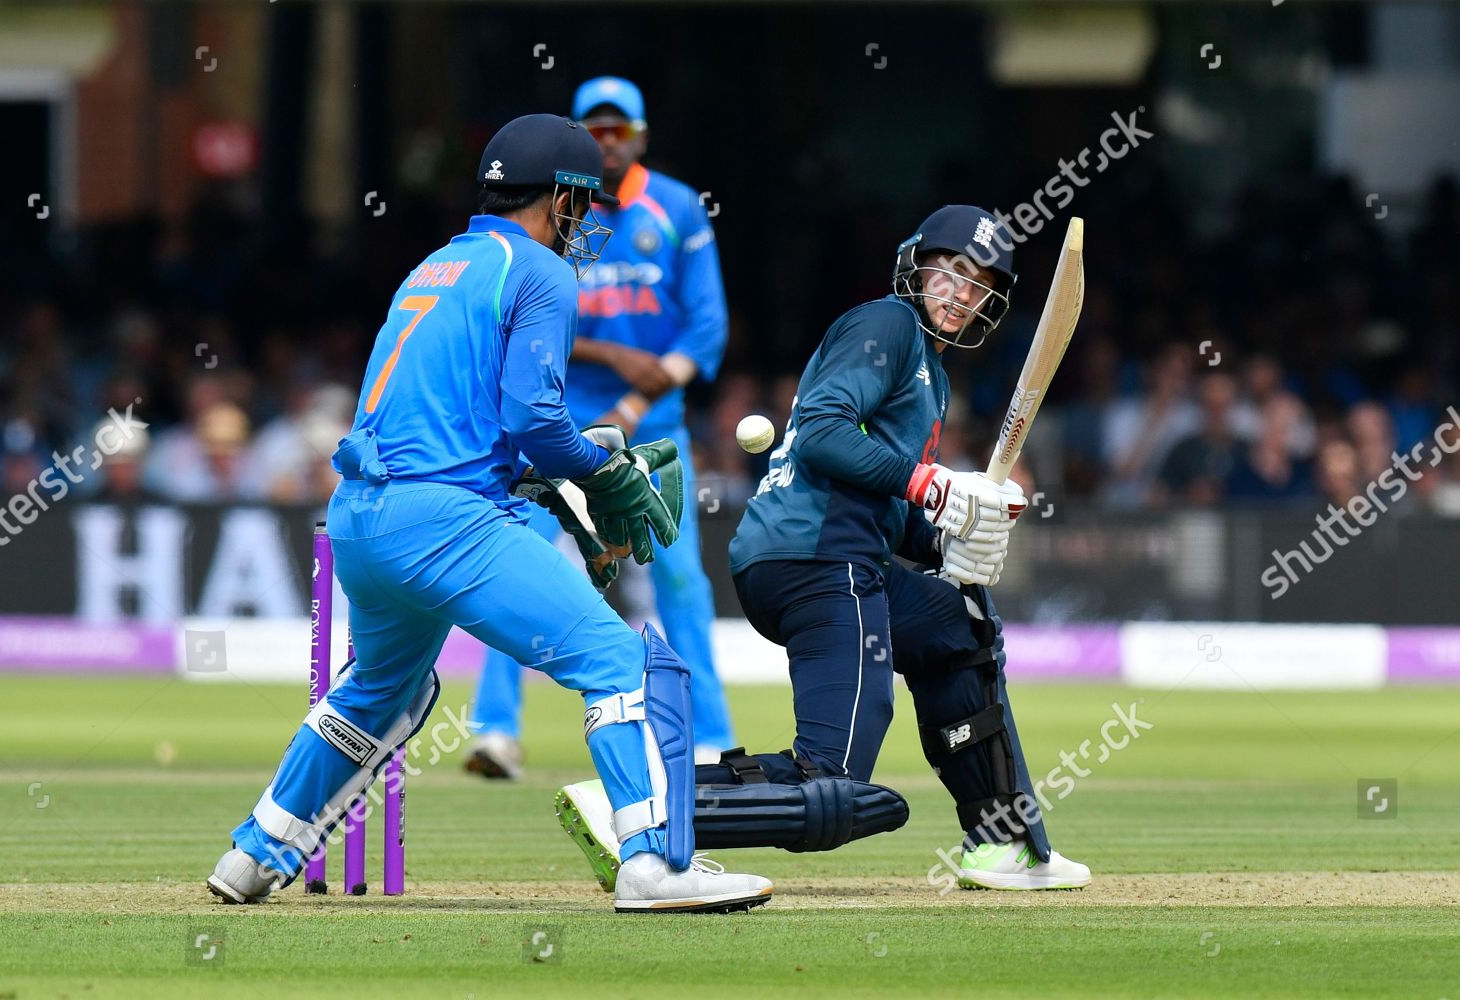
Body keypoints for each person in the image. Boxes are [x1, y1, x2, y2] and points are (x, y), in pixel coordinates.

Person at [206, 114, 771, 913]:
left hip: (361, 518)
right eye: (585, 203)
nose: (589, 221)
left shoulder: (434, 266)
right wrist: (601, 470)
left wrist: (542, 476)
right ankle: (652, 863)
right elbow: (534, 419)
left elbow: (468, 418)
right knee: (617, 660)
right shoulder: (541, 271)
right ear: (561, 198)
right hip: (443, 520)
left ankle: (253, 854)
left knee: (379, 693)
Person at [552, 206, 1090, 893]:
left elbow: (887, 508)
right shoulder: (886, 325)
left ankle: (1001, 842)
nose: (960, 291)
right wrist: (931, 484)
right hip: (815, 559)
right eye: (950, 270)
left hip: (838, 554)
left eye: (978, 283)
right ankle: (634, 807)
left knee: (960, 629)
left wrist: (957, 530)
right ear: (917, 263)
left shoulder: (932, 372)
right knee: (831, 782)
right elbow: (824, 435)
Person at [467, 77, 734, 779]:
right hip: (553, 408)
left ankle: (709, 735)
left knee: (677, 573)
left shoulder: (676, 207)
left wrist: (641, 397)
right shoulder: (556, 209)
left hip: (654, 418)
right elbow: (529, 314)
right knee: (512, 559)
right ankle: (495, 730)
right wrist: (611, 353)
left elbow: (708, 326)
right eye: (595, 131)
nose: (608, 143)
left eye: (620, 131)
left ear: (640, 136)